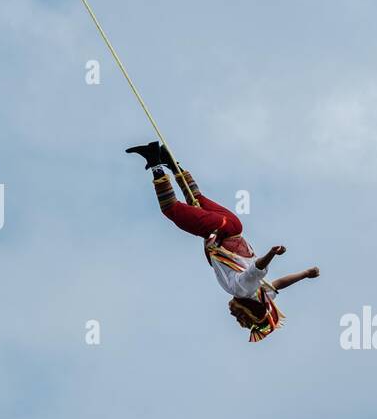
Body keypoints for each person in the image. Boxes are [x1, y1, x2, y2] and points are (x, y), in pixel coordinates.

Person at [127, 141, 319, 341]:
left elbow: (279, 284)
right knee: (171, 209)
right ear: (247, 309)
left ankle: (170, 162)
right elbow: (257, 269)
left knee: (196, 198)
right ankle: (155, 160)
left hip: (233, 225)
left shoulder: (261, 295)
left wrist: (305, 274)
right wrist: (272, 253)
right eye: (240, 317)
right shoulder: (242, 289)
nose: (233, 316)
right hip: (219, 231)